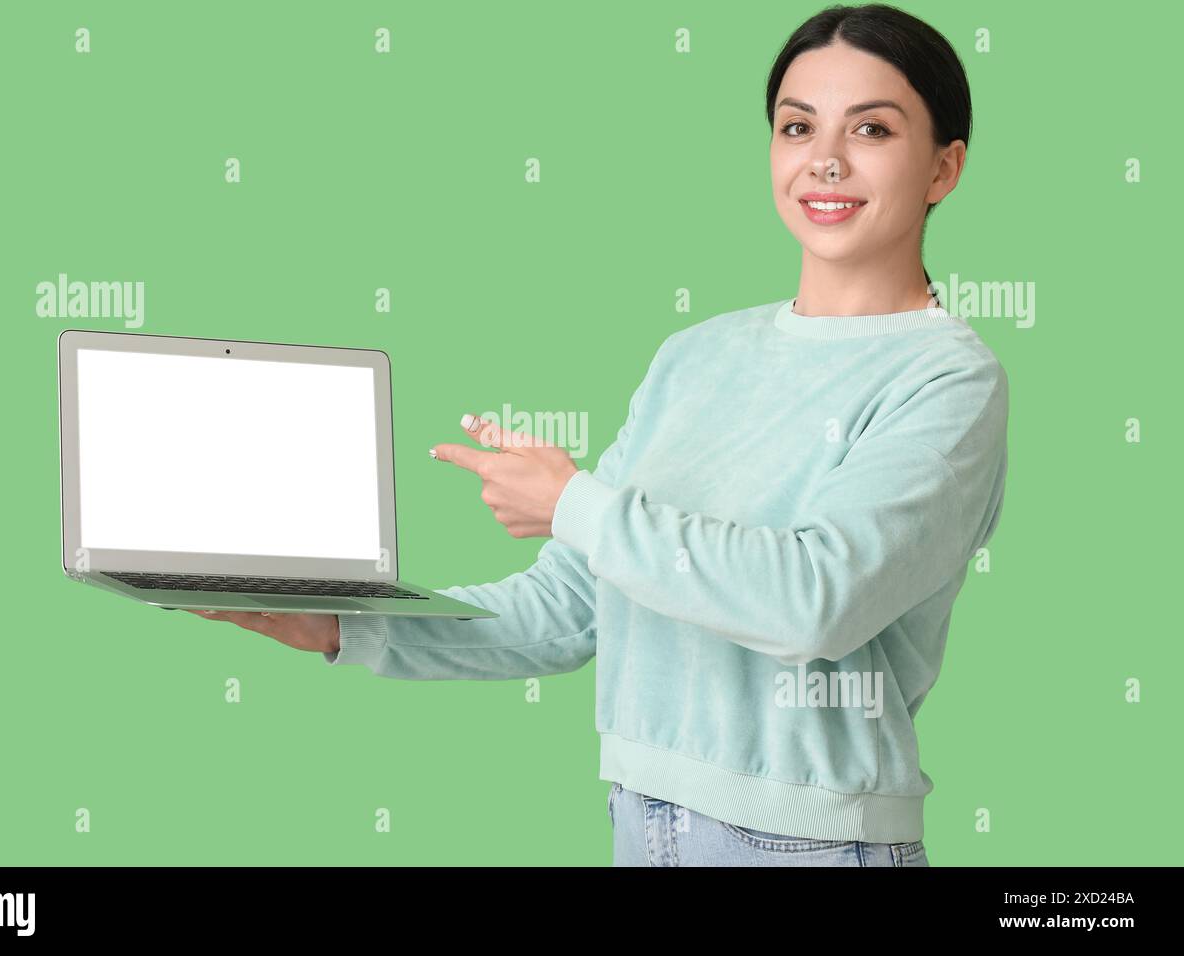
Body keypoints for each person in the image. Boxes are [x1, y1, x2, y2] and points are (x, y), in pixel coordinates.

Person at [186, 2, 1006, 867]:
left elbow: (815, 600)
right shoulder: (697, 356)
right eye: (796, 126)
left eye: (872, 128)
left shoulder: (946, 378)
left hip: (810, 845)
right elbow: (570, 608)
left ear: (943, 169)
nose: (824, 160)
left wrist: (575, 503)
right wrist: (345, 629)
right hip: (640, 823)